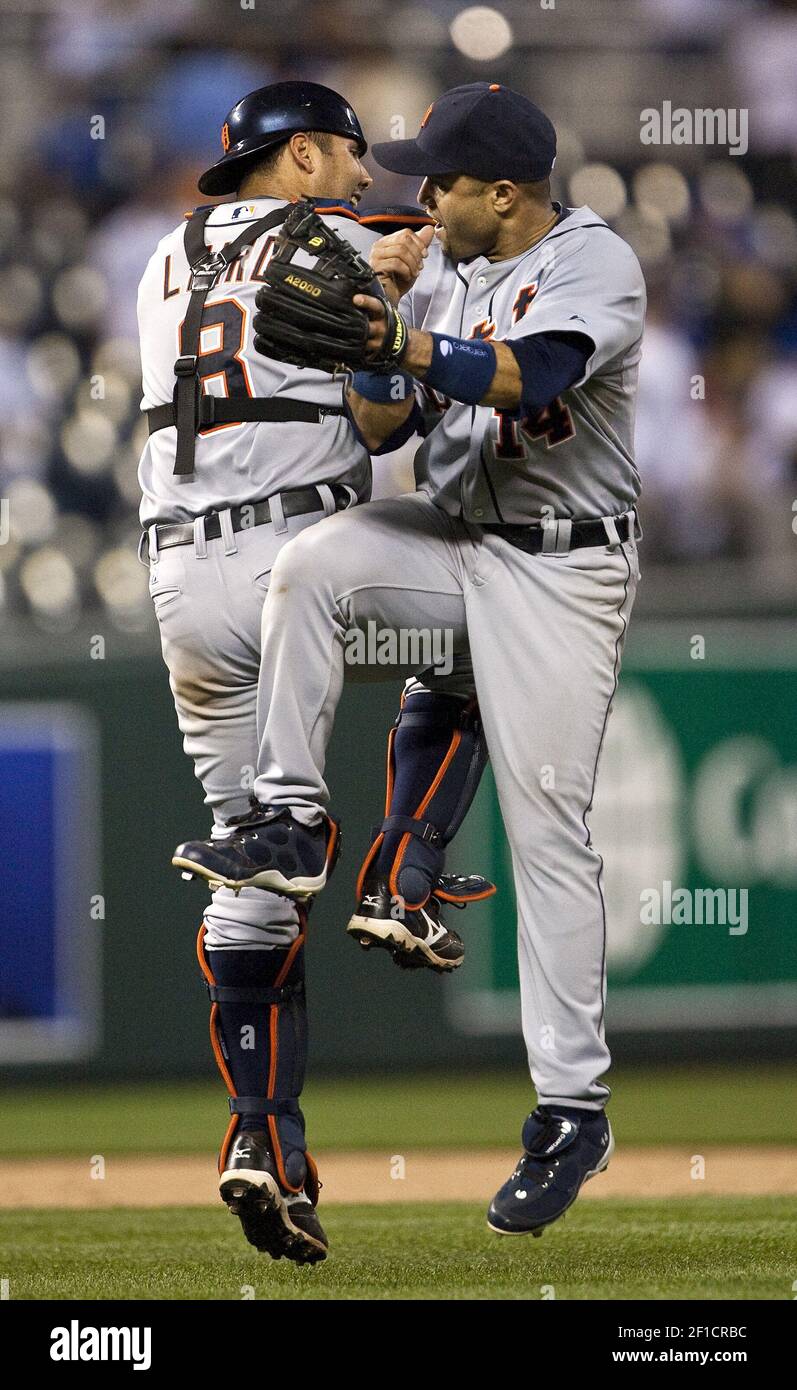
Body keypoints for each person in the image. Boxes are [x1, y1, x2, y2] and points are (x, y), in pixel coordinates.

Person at [186, 82, 647, 1240]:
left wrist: (404, 335)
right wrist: (372, 326)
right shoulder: (435, 255)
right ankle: (290, 813)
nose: (419, 194)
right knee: (314, 566)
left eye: (440, 180)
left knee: (549, 835)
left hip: (561, 567)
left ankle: (569, 1109)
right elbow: (386, 426)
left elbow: (528, 377)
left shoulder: (597, 265)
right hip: (455, 541)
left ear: (506, 192)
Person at [139, 80, 488, 1266]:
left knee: (246, 877)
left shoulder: (159, 259)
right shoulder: (352, 241)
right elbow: (384, 422)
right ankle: (401, 867)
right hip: (300, 554)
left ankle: (260, 1136)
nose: (362, 175)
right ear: (293, 161)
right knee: (501, 636)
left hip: (181, 584)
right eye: (344, 154)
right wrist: (398, 297)